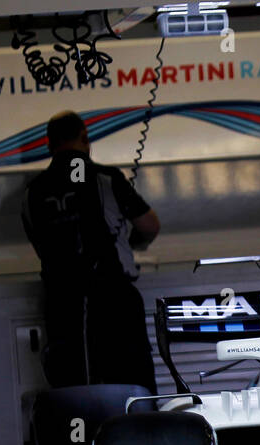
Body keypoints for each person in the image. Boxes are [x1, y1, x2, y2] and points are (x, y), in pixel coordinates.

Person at [21, 111, 161, 392]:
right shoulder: (105, 179)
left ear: (49, 144)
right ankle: (136, 435)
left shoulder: (31, 194)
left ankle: (83, 436)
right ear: (85, 138)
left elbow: (40, 247)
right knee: (133, 391)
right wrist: (131, 244)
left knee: (76, 393)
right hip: (113, 303)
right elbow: (150, 225)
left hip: (63, 308)